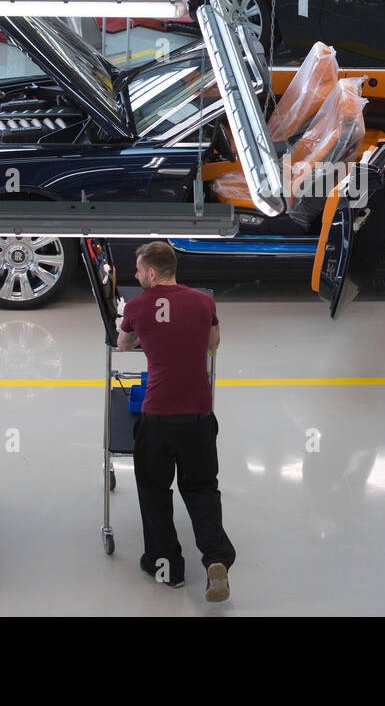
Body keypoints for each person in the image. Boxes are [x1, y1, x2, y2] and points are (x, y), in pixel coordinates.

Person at [116, 241, 235, 602]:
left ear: (152, 272)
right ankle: (216, 560)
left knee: (154, 490)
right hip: (199, 415)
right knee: (201, 489)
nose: (136, 277)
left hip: (158, 417)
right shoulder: (203, 302)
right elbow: (213, 344)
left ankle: (167, 566)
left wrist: (144, 334)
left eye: (139, 271)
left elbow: (123, 347)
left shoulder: (136, 306)